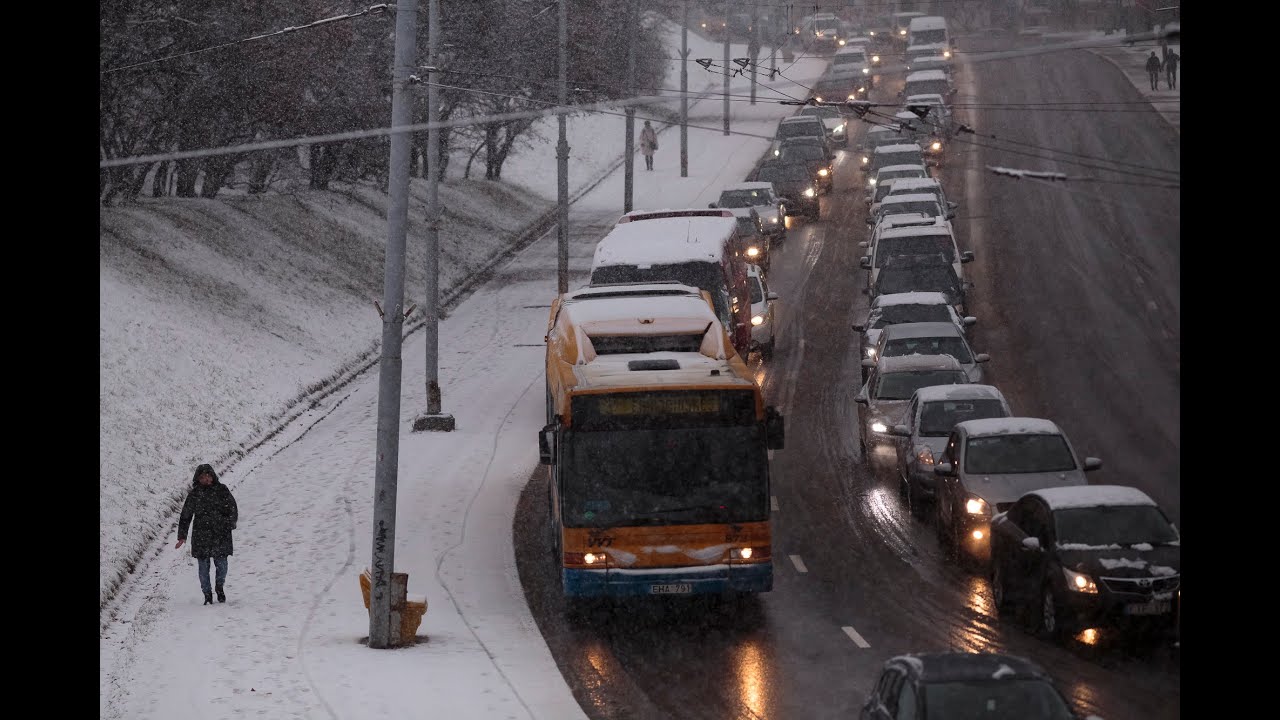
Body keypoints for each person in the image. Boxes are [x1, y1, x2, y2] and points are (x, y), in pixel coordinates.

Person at [175, 463, 239, 605]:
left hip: (221, 534)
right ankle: (207, 595)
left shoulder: (222, 490)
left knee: (222, 565)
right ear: (197, 479)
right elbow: (186, 515)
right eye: (202, 477)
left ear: (212, 476)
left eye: (208, 476)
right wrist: (182, 536)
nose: (206, 479)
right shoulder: (194, 495)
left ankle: (219, 587)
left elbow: (232, 508)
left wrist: (230, 523)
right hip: (201, 536)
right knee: (203, 568)